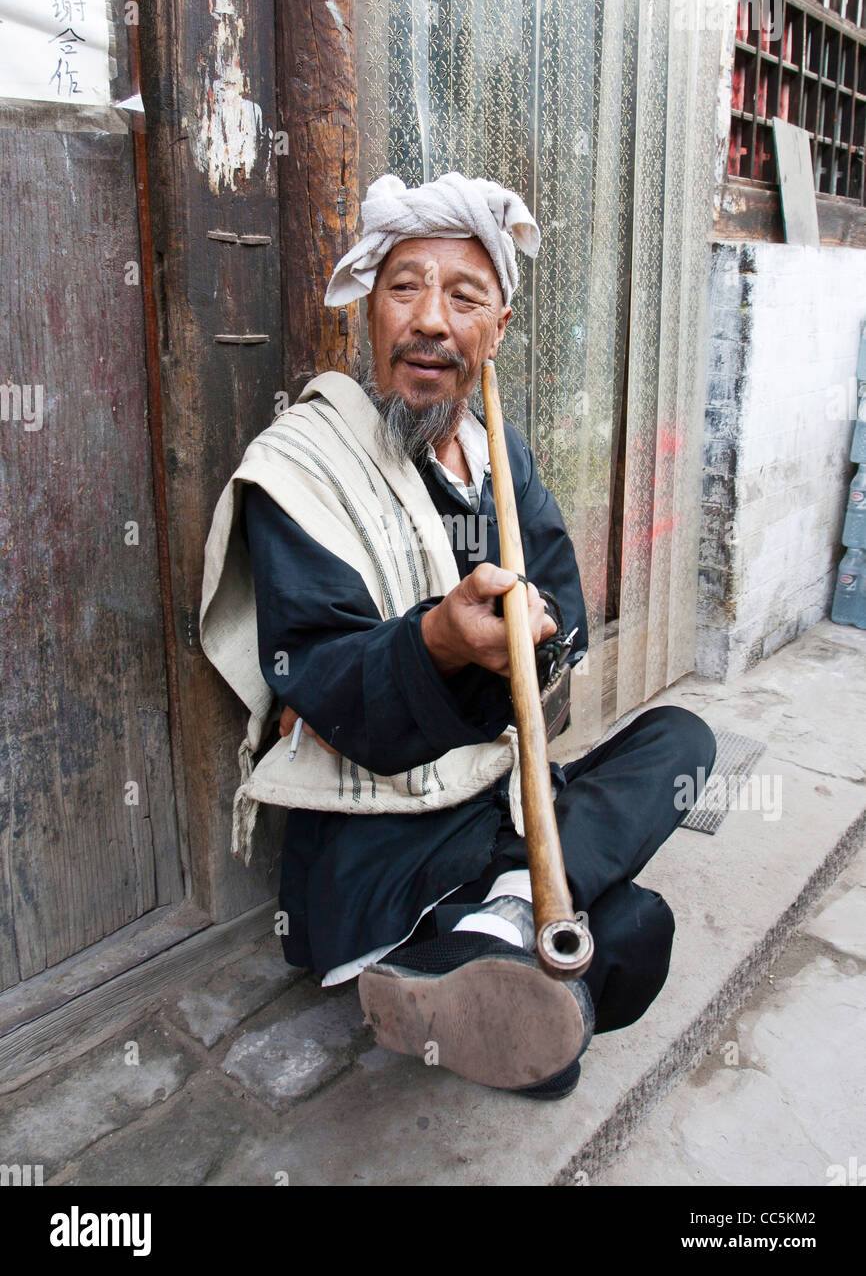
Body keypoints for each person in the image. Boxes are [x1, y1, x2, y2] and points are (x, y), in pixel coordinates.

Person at [200, 171, 716, 1100]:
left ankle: (500, 923)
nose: (429, 320)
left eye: (462, 296)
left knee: (685, 741)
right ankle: (481, 935)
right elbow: (314, 670)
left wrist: (541, 631)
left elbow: (561, 601)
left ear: (495, 333)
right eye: (404, 288)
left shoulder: (497, 456)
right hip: (382, 837)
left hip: (498, 797)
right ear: (370, 313)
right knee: (627, 936)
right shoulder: (303, 468)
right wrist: (435, 640)